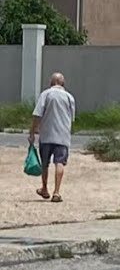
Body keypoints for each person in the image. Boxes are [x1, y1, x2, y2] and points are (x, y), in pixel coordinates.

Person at [28, 72, 76, 204]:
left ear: (51, 82)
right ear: (63, 83)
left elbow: (37, 114)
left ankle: (44, 188)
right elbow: (72, 118)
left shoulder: (46, 94)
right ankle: (57, 192)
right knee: (59, 163)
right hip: (63, 136)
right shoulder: (69, 97)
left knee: (45, 163)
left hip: (47, 135)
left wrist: (32, 131)